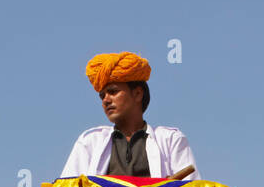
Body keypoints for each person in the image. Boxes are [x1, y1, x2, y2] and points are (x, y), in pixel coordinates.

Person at [60, 51, 198, 178]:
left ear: (137, 94)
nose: (106, 100)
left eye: (113, 92)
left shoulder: (170, 140)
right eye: (102, 96)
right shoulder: (89, 142)